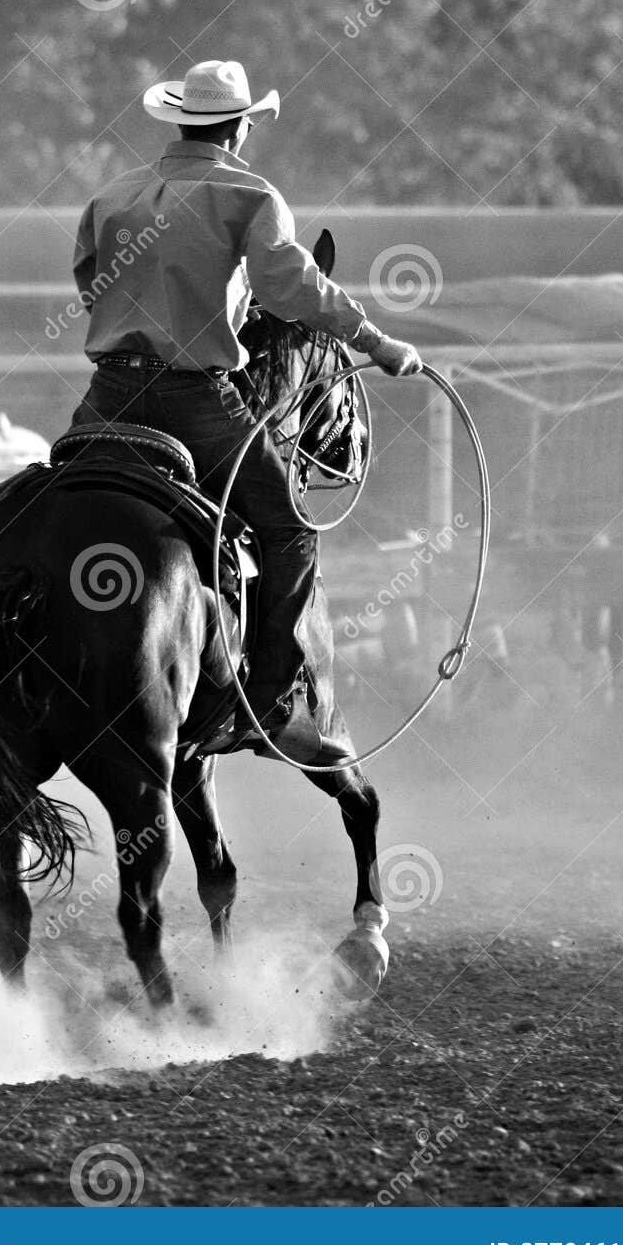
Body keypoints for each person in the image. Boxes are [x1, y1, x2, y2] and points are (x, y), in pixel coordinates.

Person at [67, 58, 422, 757]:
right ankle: (272, 705)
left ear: (177, 120)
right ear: (240, 128)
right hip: (193, 401)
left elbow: (90, 281)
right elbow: (292, 287)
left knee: (53, 495)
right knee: (289, 528)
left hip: (106, 398)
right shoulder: (248, 194)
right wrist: (378, 343)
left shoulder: (111, 198)